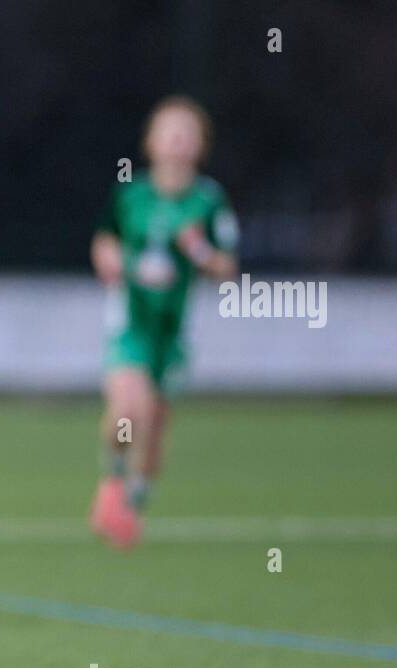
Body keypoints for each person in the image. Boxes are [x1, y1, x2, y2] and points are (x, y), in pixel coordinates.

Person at [89, 96, 238, 549]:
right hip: (130, 323)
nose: (177, 141)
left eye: (187, 133)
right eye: (169, 131)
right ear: (151, 142)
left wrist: (196, 249)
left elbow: (226, 266)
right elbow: (104, 241)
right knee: (126, 414)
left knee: (153, 427)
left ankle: (134, 501)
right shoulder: (130, 195)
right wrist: (109, 260)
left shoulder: (209, 201)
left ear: (200, 146)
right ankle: (112, 483)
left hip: (172, 332)